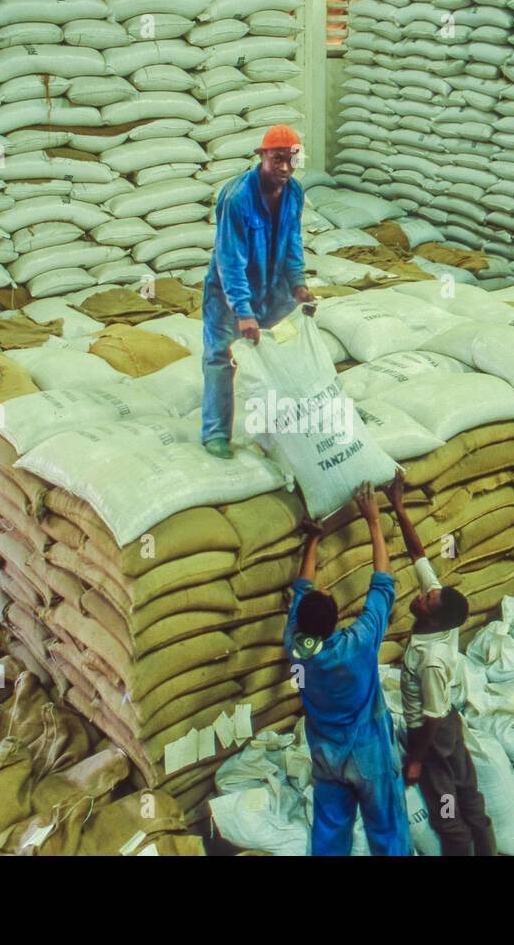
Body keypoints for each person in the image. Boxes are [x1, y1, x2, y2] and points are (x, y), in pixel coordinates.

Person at [285, 481, 411, 856]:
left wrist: (313, 540)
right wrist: (373, 521)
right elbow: (383, 584)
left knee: (329, 835)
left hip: (327, 757)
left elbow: (301, 591)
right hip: (369, 754)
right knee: (388, 830)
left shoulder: (297, 647)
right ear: (336, 619)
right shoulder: (358, 643)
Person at [386, 470, 496, 856]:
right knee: (470, 798)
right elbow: (419, 555)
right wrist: (398, 507)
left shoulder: (431, 659)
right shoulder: (441, 616)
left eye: (427, 600)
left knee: (447, 812)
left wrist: (415, 760)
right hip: (449, 726)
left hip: (432, 738)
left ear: (434, 616)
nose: (421, 597)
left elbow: (431, 716)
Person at [199, 124, 316, 459]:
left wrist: (299, 284)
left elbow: (293, 241)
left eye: (291, 160)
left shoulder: (294, 193)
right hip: (229, 294)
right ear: (261, 156)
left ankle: (274, 429)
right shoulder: (237, 198)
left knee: (277, 356)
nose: (283, 167)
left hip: (274, 287)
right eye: (276, 159)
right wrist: (243, 311)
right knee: (221, 358)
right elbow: (229, 259)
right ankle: (216, 433)